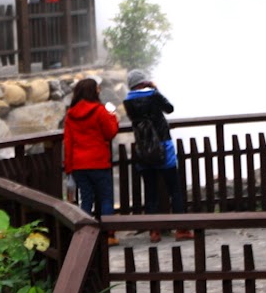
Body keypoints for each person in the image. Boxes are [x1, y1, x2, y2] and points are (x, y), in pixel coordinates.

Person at [124, 69, 190, 242]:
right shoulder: (153, 95)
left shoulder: (127, 101)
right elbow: (169, 109)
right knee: (174, 189)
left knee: (150, 192)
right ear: (144, 82)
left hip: (143, 149)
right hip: (163, 146)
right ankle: (181, 229)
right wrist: (155, 89)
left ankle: (154, 231)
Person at [62, 77, 119, 244]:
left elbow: (68, 143)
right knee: (106, 198)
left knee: (86, 200)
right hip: (99, 162)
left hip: (79, 164)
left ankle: (84, 237)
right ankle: (109, 235)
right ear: (93, 91)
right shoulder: (99, 110)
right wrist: (112, 117)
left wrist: (69, 168)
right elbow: (109, 133)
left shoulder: (71, 114)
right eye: (97, 88)